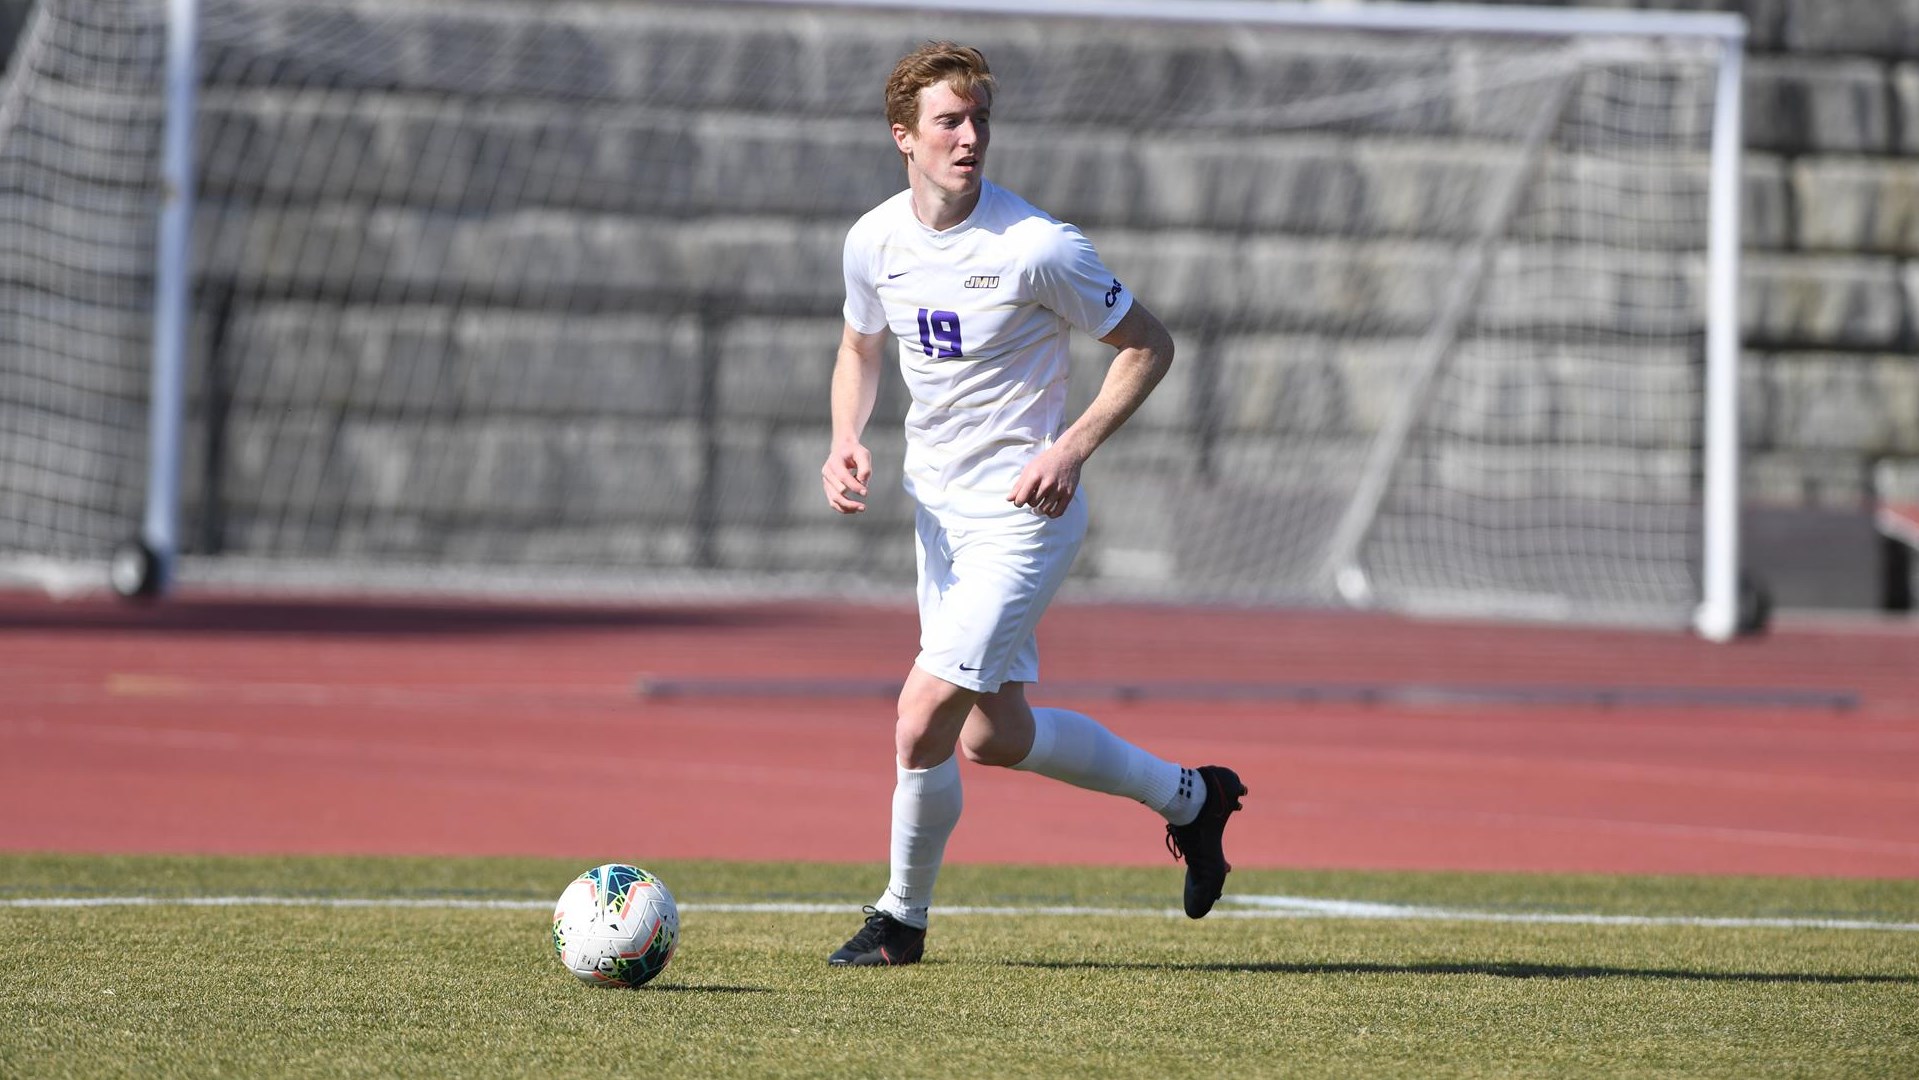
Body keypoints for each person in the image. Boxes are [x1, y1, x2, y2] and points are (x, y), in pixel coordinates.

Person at [819, 41, 1246, 967]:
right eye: (948, 121)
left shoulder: (1036, 247)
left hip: (1024, 514)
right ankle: (1191, 798)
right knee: (991, 735)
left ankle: (900, 920)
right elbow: (859, 347)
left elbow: (1148, 345)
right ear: (903, 136)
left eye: (979, 119)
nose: (969, 137)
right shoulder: (873, 240)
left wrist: (1070, 447)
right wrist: (845, 435)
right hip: (938, 519)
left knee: (919, 715)